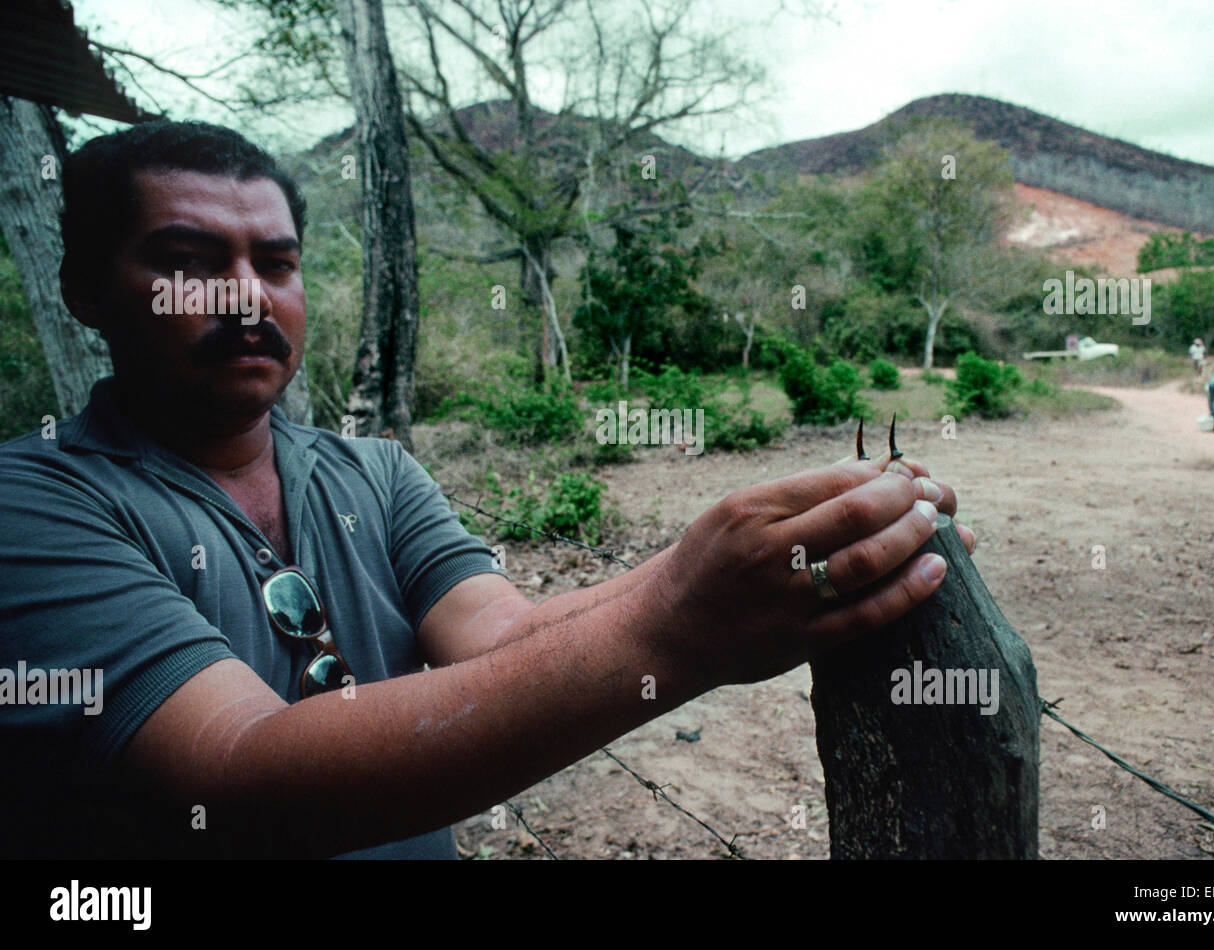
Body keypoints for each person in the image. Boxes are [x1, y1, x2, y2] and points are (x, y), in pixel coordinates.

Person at [0, 120, 974, 858]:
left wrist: (730, 564)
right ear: (86, 289)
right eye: (189, 263)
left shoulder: (374, 471)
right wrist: (687, 628)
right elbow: (236, 767)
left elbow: (506, 639)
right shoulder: (35, 504)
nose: (249, 296)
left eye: (278, 262)